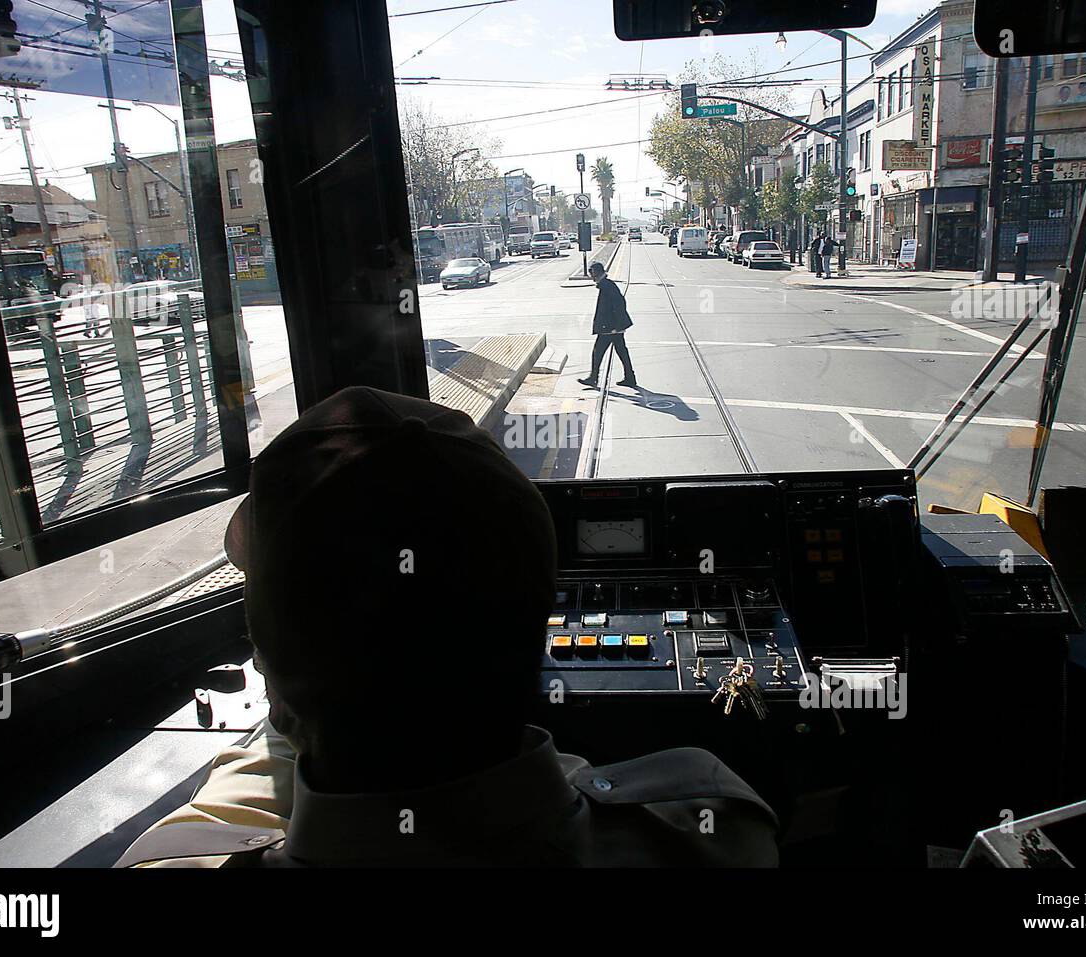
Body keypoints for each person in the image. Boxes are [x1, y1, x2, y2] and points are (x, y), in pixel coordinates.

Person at [116, 386, 779, 867]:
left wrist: (298, 693)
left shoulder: (175, 858)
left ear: (280, 688)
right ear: (536, 642)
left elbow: (254, 782)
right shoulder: (716, 827)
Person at [577, 261, 636, 389]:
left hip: (610, 328)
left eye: (592, 273)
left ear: (597, 272)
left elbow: (619, 305)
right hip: (612, 328)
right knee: (622, 352)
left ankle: (594, 378)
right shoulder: (606, 285)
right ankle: (630, 378)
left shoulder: (607, 286)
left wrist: (617, 326)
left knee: (597, 352)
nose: (591, 277)